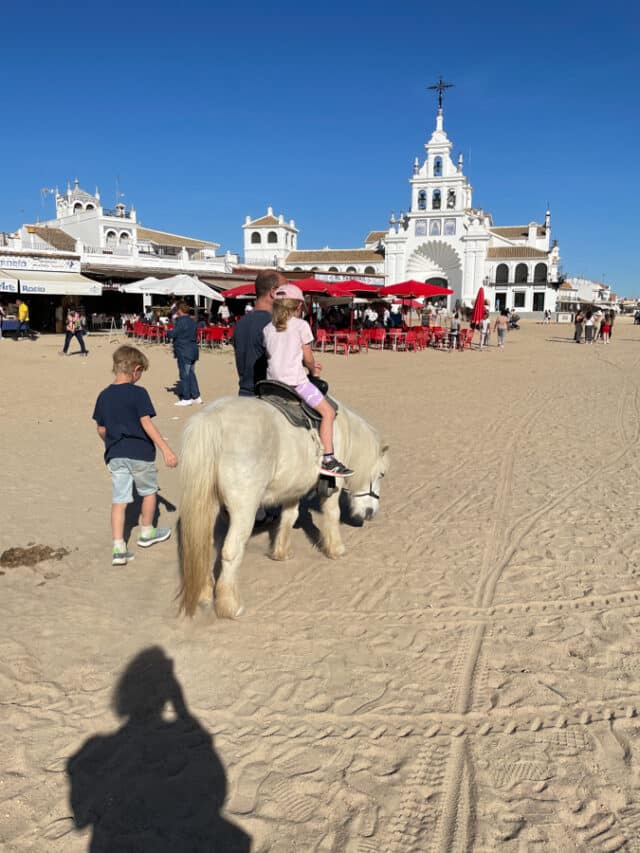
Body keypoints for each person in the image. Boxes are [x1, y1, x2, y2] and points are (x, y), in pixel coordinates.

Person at [92, 345, 178, 566]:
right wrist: (166, 449)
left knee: (119, 500)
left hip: (116, 454)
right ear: (136, 369)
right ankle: (147, 532)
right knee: (149, 492)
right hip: (140, 453)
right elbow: (146, 423)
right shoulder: (139, 393)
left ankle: (118, 547)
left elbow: (101, 429)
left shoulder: (104, 396)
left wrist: (111, 443)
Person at [264, 283, 353, 478]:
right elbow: (308, 357)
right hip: (295, 383)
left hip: (271, 384)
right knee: (328, 412)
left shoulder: (267, 328)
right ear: (298, 306)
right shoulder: (300, 326)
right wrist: (313, 369)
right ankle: (328, 459)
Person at [233, 269, 282, 397]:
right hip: (266, 395)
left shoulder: (241, 323)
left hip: (244, 393)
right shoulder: (274, 324)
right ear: (273, 292)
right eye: (284, 291)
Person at [166, 302, 202, 407]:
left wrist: (166, 330)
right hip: (193, 349)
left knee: (184, 374)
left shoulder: (181, 321)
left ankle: (186, 398)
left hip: (184, 350)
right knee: (191, 373)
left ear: (179, 310)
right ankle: (196, 396)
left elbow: (173, 334)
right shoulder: (192, 321)